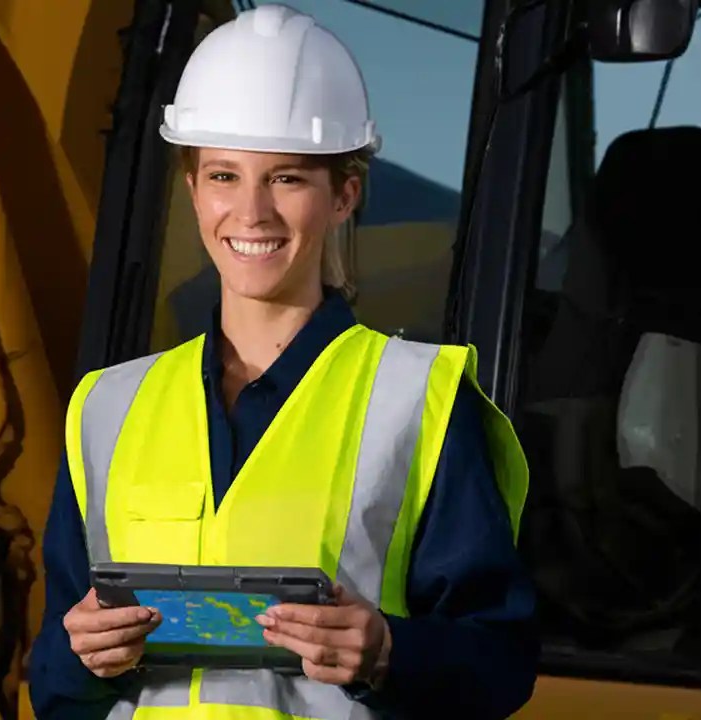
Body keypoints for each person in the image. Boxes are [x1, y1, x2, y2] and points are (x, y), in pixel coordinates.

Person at [26, 5, 539, 719]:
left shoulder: (417, 400)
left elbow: (501, 663)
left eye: (288, 179)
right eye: (225, 177)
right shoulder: (107, 408)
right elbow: (55, 681)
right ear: (192, 189)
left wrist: (389, 651)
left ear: (344, 195)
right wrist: (80, 659)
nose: (252, 213)